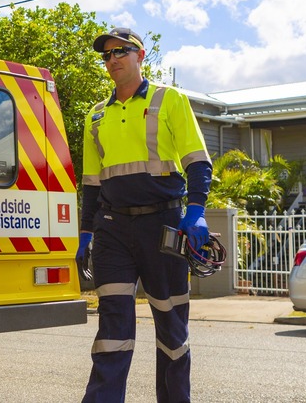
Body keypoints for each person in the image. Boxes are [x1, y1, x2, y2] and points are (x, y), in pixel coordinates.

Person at [77, 27, 212, 403]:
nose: (112, 59)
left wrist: (196, 211)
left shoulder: (169, 99)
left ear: (140, 55)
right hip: (112, 230)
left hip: (163, 225)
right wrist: (86, 232)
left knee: (172, 328)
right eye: (106, 55)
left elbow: (197, 160)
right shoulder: (95, 116)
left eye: (121, 51)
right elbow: (92, 182)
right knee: (112, 330)